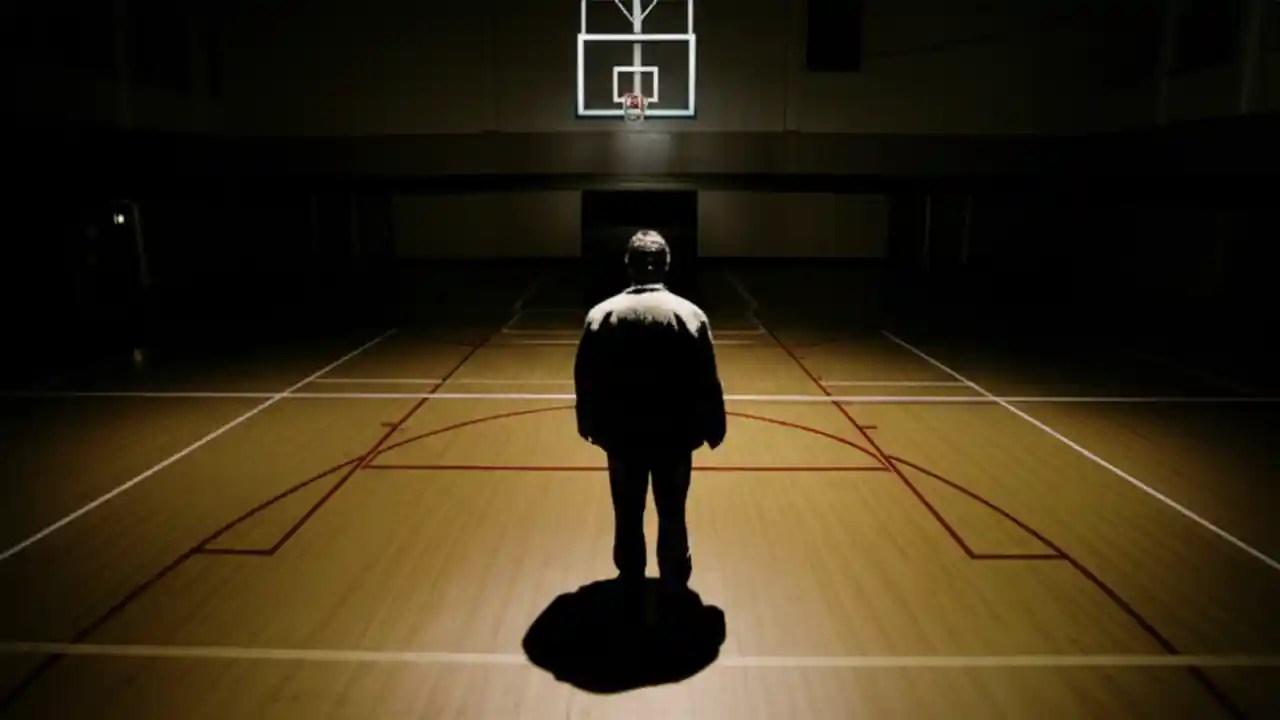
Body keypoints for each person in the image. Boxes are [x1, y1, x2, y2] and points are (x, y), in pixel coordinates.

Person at [574, 230, 726, 595]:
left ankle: (630, 582)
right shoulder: (689, 315)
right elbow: (707, 378)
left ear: (628, 265)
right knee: (673, 513)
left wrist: (588, 422)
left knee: (627, 513)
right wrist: (714, 426)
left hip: (622, 437)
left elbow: (586, 377)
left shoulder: (602, 314)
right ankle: (674, 583)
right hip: (675, 436)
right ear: (666, 264)